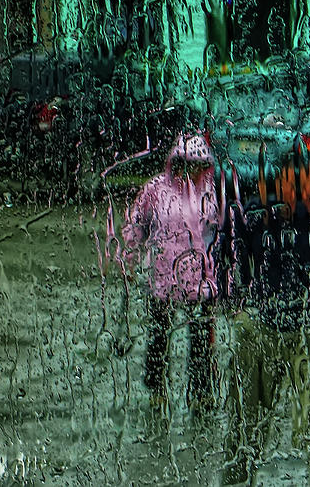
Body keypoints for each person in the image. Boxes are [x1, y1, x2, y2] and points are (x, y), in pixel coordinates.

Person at [218, 175, 310, 485]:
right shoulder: (252, 214)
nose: (296, 188)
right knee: (247, 417)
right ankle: (238, 474)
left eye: (303, 180)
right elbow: (227, 258)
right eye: (289, 180)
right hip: (264, 327)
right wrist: (237, 310)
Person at [122, 132, 221, 414]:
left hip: (202, 283)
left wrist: (228, 275)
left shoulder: (213, 192)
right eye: (184, 163)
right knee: (158, 338)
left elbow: (225, 233)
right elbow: (136, 225)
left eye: (196, 164)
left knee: (201, 344)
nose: (189, 170)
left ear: (205, 165)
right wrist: (129, 261)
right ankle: (157, 394)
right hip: (163, 280)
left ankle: (201, 396)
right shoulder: (155, 189)